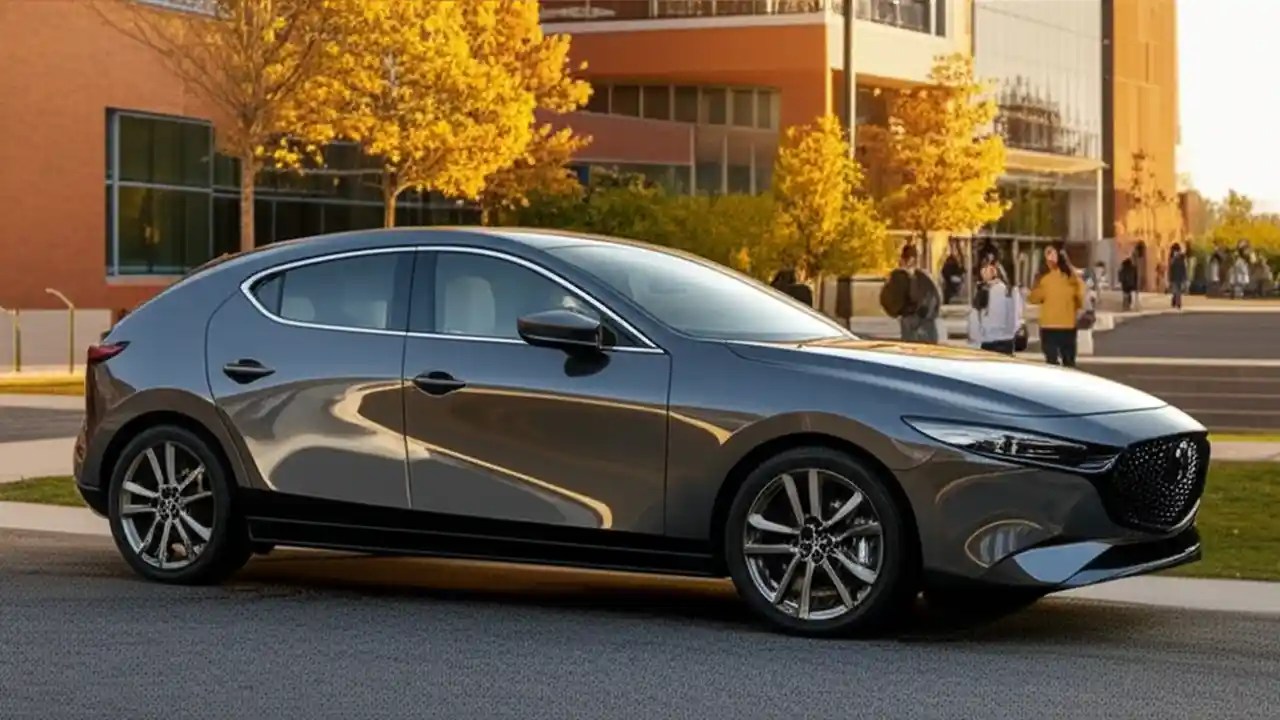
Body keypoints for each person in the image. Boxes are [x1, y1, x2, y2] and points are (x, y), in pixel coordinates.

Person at [1027, 242, 1086, 367]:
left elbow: (1033, 298)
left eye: (1052, 253)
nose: (1050, 257)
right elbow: (1080, 297)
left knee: (1051, 363)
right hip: (1067, 325)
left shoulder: (1043, 278)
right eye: (1048, 254)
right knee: (1069, 362)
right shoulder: (1071, 277)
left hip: (1050, 326)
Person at [879, 244, 941, 343]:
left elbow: (887, 298)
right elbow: (935, 299)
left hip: (911, 318)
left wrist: (897, 313)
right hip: (927, 321)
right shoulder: (924, 278)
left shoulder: (898, 277)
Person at [967, 258, 1023, 355]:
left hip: (988, 340)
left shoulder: (983, 292)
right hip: (1006, 340)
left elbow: (975, 316)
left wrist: (976, 338)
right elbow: (1017, 316)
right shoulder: (1011, 291)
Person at [1168, 243, 1188, 309]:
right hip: (1174, 277)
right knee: (1175, 291)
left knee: (1178, 291)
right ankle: (1175, 301)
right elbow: (1170, 266)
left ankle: (1178, 303)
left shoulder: (1182, 257)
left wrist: (1185, 277)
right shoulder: (1171, 257)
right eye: (1175, 251)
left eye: (1177, 250)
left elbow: (1184, 267)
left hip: (1179, 276)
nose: (1176, 252)